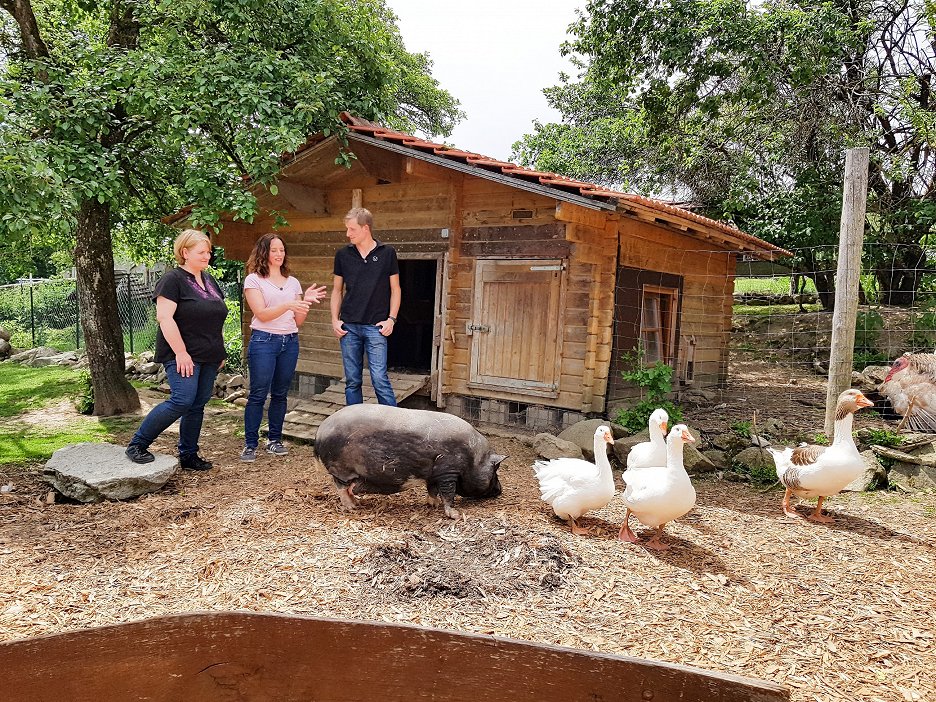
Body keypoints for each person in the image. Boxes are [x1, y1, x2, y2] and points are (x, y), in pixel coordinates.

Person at [126, 229, 228, 469]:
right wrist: (182, 353)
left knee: (198, 404)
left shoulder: (209, 280)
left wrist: (220, 351)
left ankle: (188, 455)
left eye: (209, 252)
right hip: (182, 354)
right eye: (201, 252)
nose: (207, 256)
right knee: (182, 400)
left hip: (209, 355)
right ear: (185, 252)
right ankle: (137, 445)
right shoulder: (172, 280)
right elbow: (165, 318)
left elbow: (216, 317)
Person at [240, 234, 327, 462]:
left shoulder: (293, 283)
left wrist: (305, 301)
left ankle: (275, 440)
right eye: (274, 250)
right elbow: (261, 314)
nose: (279, 254)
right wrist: (288, 304)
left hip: (289, 341)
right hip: (264, 341)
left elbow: (298, 321)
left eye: (282, 250)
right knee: (258, 394)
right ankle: (250, 444)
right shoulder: (254, 280)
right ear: (263, 253)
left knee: (280, 393)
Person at [331, 207, 401, 406]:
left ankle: (393, 427)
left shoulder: (387, 253)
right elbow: (337, 290)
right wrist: (335, 320)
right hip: (348, 327)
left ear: (365, 228)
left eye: (352, 229)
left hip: (376, 327)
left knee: (380, 379)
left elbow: (395, 289)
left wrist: (392, 319)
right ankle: (355, 427)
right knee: (352, 381)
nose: (348, 234)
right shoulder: (343, 255)